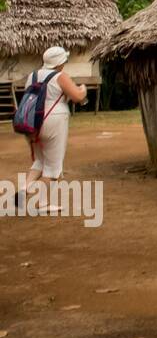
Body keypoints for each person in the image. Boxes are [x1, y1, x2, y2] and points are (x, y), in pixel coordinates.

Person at [23, 45, 88, 214]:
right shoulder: (60, 76)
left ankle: (26, 187)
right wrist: (83, 90)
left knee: (39, 160)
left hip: (32, 121)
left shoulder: (33, 75)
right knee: (53, 166)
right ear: (60, 62)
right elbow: (78, 97)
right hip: (54, 119)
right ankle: (41, 202)